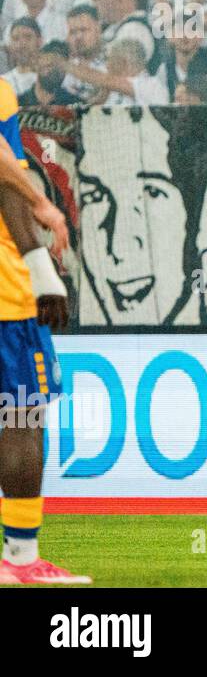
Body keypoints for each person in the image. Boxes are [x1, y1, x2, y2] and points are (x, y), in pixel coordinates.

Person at [0, 75, 83, 585]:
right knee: (21, 416)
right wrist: (42, 270)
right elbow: (2, 178)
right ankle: (22, 559)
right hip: (6, 296)